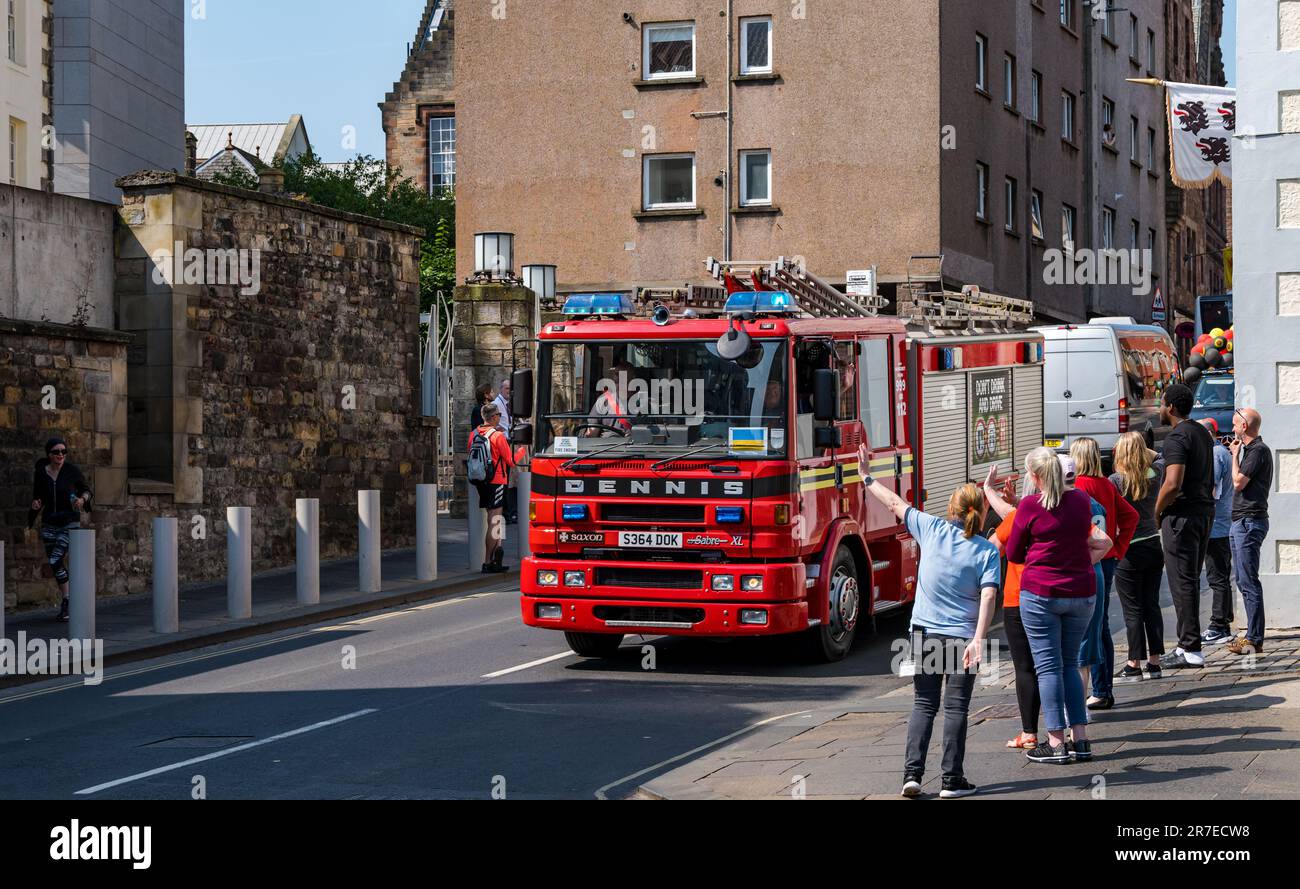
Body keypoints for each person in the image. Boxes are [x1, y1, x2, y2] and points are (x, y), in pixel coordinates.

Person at [864, 476, 1000, 799]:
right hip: (962, 640)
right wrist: (979, 638)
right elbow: (989, 597)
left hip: (923, 634)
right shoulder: (986, 551)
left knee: (924, 704)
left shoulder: (931, 529)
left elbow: (894, 503)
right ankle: (951, 781)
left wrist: (867, 476)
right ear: (980, 513)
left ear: (951, 509)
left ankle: (912, 776)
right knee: (956, 709)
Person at [1007, 448, 1113, 765]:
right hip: (1081, 592)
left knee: (1047, 667)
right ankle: (1080, 740)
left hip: (1041, 594)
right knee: (1070, 664)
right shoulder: (1081, 501)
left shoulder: (1029, 506)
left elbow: (1013, 552)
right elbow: (1096, 539)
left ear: (1036, 477)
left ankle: (1055, 744)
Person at [1069, 438, 1138, 710]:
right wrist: (1118, 548)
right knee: (1102, 625)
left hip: (1088, 561)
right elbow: (1130, 517)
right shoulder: (1107, 484)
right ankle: (1103, 688)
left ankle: (1097, 689)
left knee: (1089, 627)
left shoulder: (1078, 487)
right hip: (1107, 559)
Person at [1155, 384, 1216, 669]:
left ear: (1171, 407)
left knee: (1181, 581)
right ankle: (1189, 645)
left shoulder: (1176, 437)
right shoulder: (1202, 432)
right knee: (1190, 579)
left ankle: (1189, 648)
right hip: (1203, 512)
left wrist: (1157, 511)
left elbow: (1172, 482)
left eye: (1161, 403)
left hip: (1181, 516)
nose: (1159, 408)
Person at [982, 465, 1041, 751]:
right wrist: (990, 492)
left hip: (1018, 599)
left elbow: (991, 547)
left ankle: (1029, 733)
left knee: (1025, 668)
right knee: (1057, 666)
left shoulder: (1018, 518)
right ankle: (1070, 729)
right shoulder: (1069, 511)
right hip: (1056, 596)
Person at [1110, 431, 1167, 680]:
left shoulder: (1115, 481)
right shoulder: (1153, 475)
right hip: (1153, 545)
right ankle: (1154, 662)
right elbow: (1162, 458)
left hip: (1128, 549)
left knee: (1132, 609)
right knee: (1151, 605)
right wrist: (1146, 450)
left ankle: (1134, 663)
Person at [27, 437, 93, 622]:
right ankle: (68, 600)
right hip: (49, 523)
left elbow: (86, 490)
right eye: (56, 452)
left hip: (69, 522)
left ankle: (68, 600)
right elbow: (37, 497)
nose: (60, 455)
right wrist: (35, 505)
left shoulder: (72, 472)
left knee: (56, 560)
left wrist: (82, 500)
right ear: (49, 454)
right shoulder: (41, 473)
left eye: (63, 451)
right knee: (55, 563)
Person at [1227, 408, 1272, 655]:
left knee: (1248, 580)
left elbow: (1238, 482)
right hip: (1241, 522)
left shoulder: (1257, 451)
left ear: (1244, 426)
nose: (1232, 429)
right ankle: (1252, 636)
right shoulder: (1252, 451)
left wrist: (1234, 455)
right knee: (1243, 580)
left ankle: (1254, 638)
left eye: (1235, 424)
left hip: (1249, 522)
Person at [467, 403, 517, 574]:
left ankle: (497, 556)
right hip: (497, 480)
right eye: (498, 415)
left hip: (481, 482)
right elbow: (510, 461)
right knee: (494, 521)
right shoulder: (497, 436)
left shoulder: (473, 434)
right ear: (494, 417)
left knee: (494, 519)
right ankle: (488, 561)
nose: (499, 417)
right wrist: (521, 453)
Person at [1199, 419, 1236, 645]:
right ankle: (1224, 621)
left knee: (1217, 577)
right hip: (1221, 523)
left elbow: (1209, 487)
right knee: (1221, 575)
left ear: (1208, 434)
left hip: (1216, 526)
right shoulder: (1221, 452)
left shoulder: (1214, 454)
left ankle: (1219, 625)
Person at [492, 379, 518, 525]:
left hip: (508, 442)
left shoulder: (508, 405)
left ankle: (509, 512)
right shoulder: (497, 404)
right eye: (507, 388)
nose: (509, 391)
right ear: (501, 389)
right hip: (502, 443)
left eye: (510, 388)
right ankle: (506, 513)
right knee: (504, 479)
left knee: (509, 479)